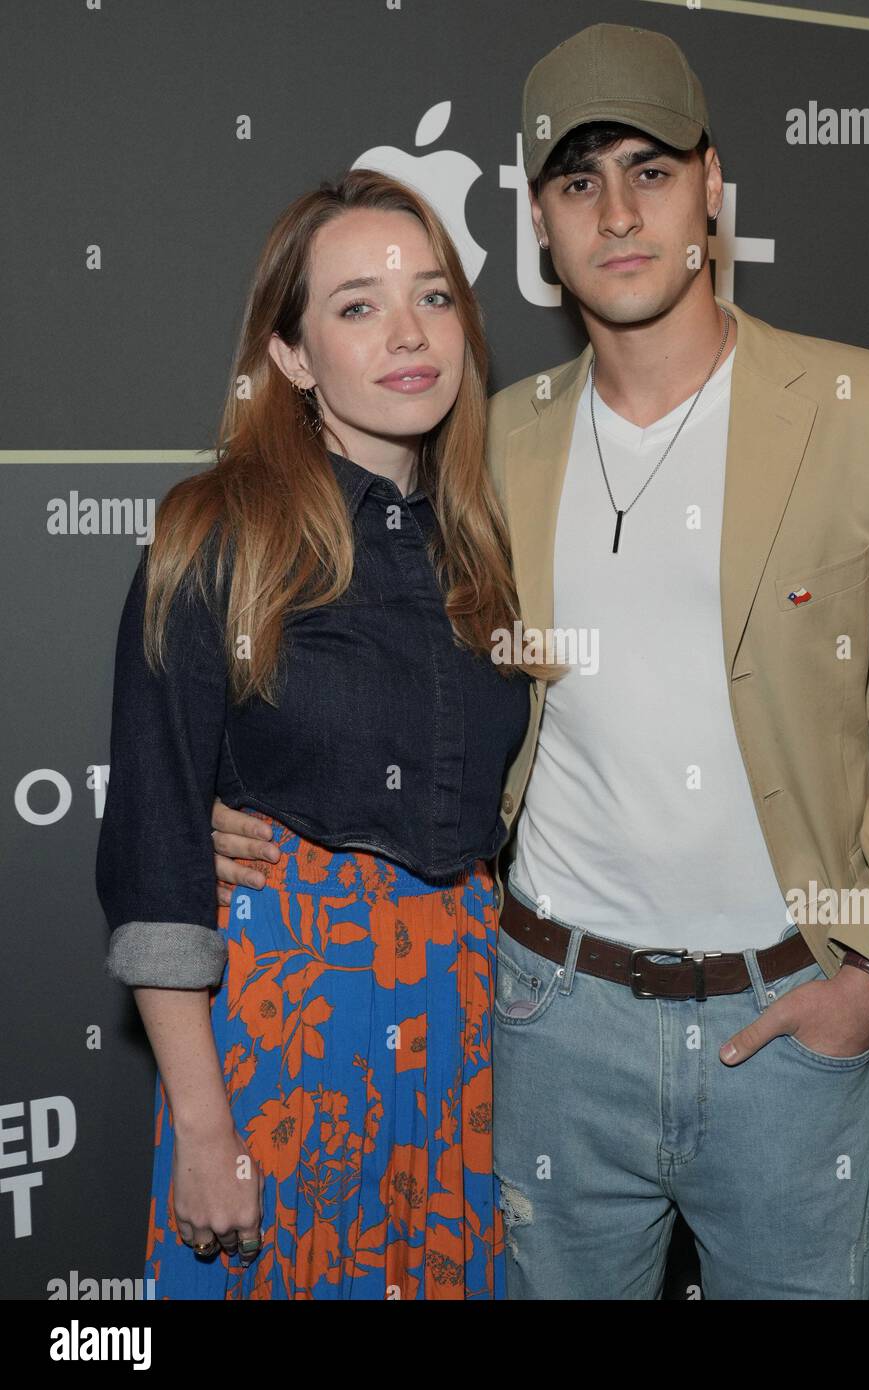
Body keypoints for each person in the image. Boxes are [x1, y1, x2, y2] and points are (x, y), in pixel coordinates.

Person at [208, 23, 869, 1300]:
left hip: (786, 1034)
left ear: (711, 187)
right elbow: (375, 666)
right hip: (544, 1021)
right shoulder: (490, 443)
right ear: (538, 224)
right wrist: (228, 802)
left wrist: (867, 979)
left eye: (650, 168)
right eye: (578, 181)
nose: (619, 211)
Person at [95, 166, 558, 1298]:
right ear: (293, 356)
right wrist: (205, 1131)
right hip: (283, 1027)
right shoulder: (211, 537)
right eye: (356, 305)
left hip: (464, 1026)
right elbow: (156, 855)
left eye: (433, 296)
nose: (408, 333)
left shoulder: (483, 545)